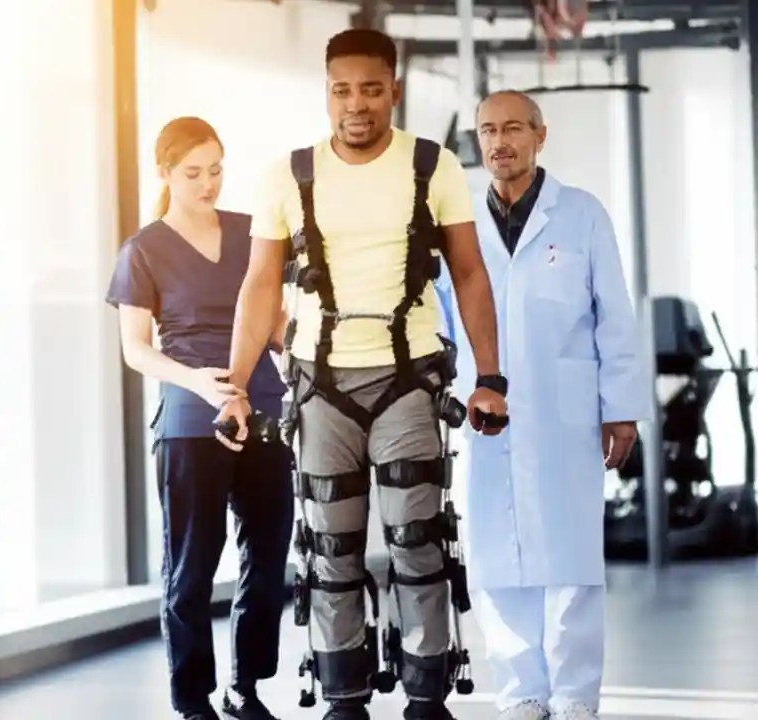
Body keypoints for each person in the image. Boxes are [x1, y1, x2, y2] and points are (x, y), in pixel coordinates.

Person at [217, 28, 510, 720]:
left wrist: (491, 377)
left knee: (419, 542)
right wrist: (233, 384)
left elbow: (469, 273)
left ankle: (426, 696)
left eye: (372, 90)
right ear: (327, 93)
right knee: (330, 550)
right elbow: (260, 284)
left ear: (394, 92)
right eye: (343, 90)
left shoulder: (431, 167)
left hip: (409, 380)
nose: (357, 105)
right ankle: (344, 697)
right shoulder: (289, 175)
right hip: (320, 385)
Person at [437, 90, 648, 720]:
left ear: (540, 135)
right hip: (486, 411)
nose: (499, 142)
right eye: (487, 131)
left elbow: (614, 315)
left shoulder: (581, 215)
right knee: (497, 554)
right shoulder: (462, 224)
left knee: (574, 556)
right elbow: (446, 318)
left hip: (567, 412)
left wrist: (621, 408)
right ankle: (523, 693)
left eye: (512, 129)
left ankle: (576, 694)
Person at [106, 116, 293, 720]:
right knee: (190, 570)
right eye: (194, 173)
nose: (209, 183)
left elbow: (277, 319)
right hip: (191, 421)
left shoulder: (250, 232)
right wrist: (195, 380)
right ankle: (193, 701)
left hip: (265, 409)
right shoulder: (143, 250)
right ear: (165, 172)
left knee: (267, 563)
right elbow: (135, 348)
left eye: (216, 170)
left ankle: (247, 687)